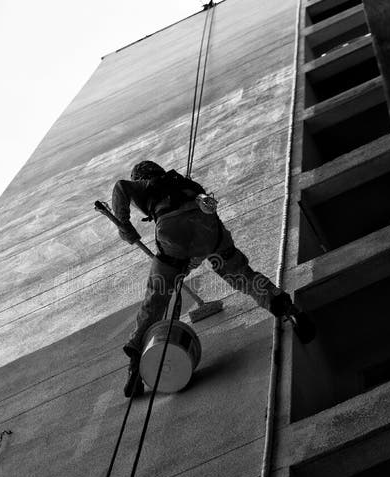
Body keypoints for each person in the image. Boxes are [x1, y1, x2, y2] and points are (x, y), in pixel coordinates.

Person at [112, 160, 297, 398]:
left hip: (172, 233)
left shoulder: (144, 183)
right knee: (242, 275)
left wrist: (124, 225)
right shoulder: (186, 183)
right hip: (209, 229)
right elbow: (197, 240)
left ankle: (136, 367)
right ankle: (285, 306)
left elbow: (120, 188)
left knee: (156, 298)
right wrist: (193, 258)